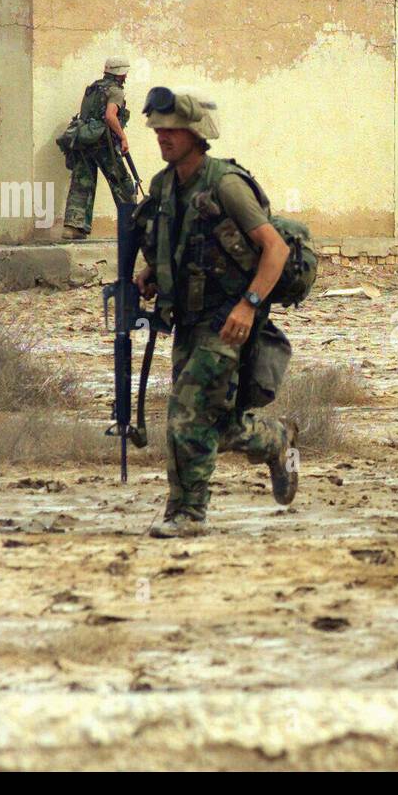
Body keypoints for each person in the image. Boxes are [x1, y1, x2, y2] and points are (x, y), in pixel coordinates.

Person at [132, 86, 298, 538]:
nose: (162, 137)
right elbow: (182, 242)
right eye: (158, 130)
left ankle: (188, 514)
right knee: (210, 423)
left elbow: (275, 249)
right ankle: (275, 439)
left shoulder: (225, 183)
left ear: (196, 134)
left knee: (185, 416)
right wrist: (151, 271)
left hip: (228, 321)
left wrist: (249, 305)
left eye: (172, 130)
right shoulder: (166, 185)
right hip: (186, 320)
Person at [62, 56, 136, 240]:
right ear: (121, 73)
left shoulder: (93, 88)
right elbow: (111, 116)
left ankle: (73, 227)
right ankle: (132, 226)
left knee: (82, 183)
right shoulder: (115, 91)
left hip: (83, 141)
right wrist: (123, 137)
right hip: (104, 144)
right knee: (122, 182)